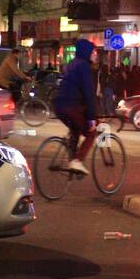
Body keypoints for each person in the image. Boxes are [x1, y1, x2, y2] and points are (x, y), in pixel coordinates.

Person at [51, 38, 100, 176]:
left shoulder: (71, 64)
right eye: (93, 52)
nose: (95, 54)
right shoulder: (84, 66)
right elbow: (88, 93)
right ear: (87, 52)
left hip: (59, 105)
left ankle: (72, 160)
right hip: (71, 106)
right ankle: (77, 161)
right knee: (91, 132)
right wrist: (91, 117)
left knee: (76, 129)